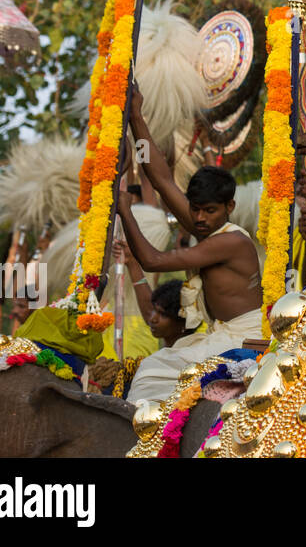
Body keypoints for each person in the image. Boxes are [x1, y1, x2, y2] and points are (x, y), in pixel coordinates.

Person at [123, 89, 263, 403]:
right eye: (194, 209)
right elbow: (159, 178)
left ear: (229, 206)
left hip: (246, 337)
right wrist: (136, 117)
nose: (198, 218)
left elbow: (153, 260)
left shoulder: (230, 241)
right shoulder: (207, 225)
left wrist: (124, 211)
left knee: (151, 371)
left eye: (208, 211)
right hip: (220, 334)